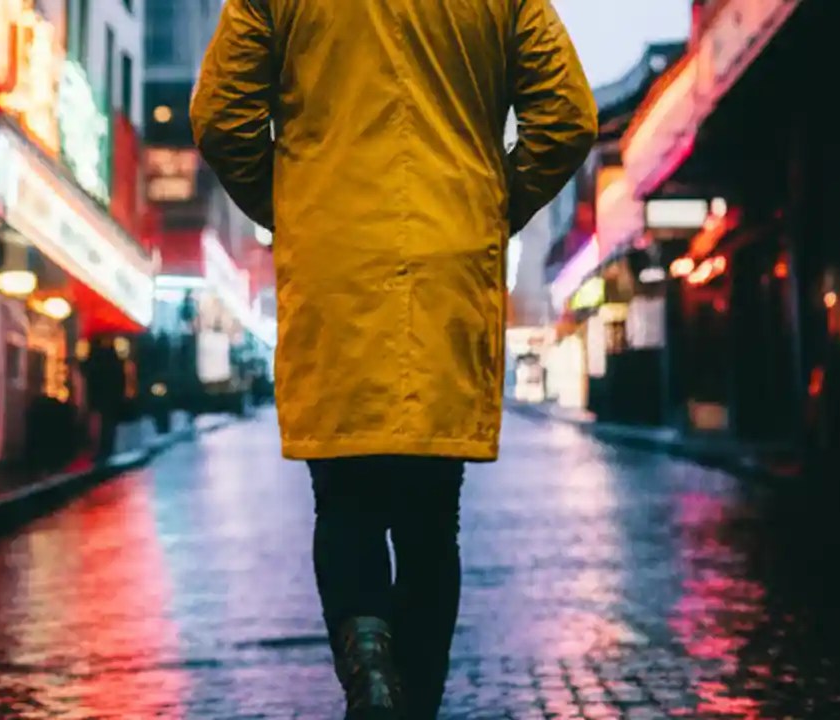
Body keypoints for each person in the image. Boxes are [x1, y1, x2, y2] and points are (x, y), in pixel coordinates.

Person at [193, 1, 597, 717]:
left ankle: (368, 659)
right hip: (449, 260)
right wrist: (490, 204)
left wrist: (298, 208)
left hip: (335, 265)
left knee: (343, 496)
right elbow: (566, 118)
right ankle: (415, 703)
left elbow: (222, 117)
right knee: (431, 515)